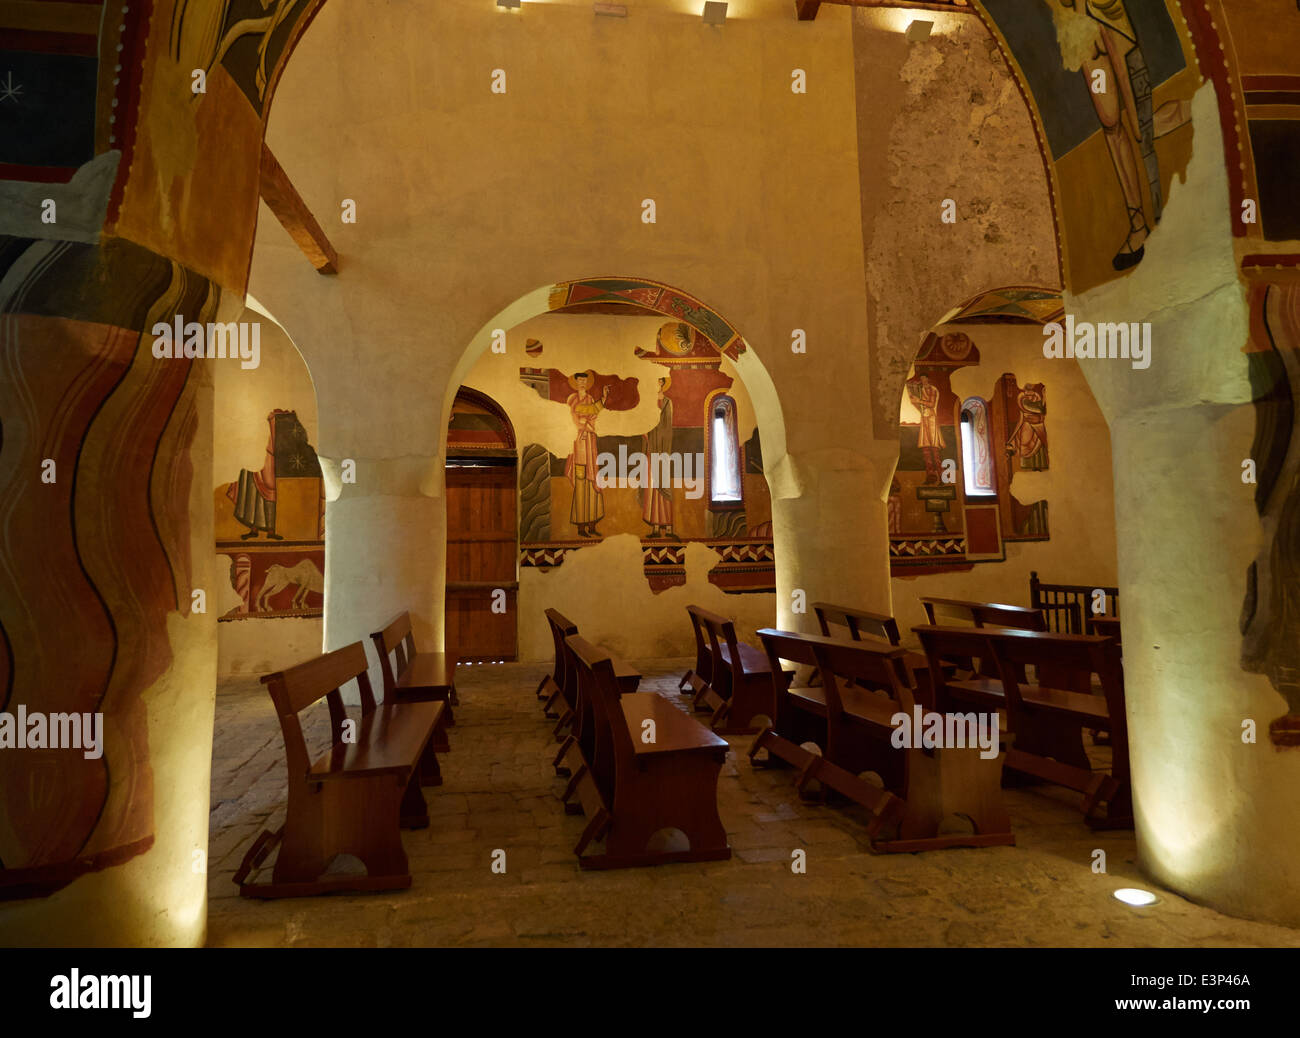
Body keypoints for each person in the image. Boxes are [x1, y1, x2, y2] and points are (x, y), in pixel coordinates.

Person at [565, 371, 609, 538]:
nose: (582, 383)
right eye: (579, 380)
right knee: (581, 484)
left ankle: (592, 525)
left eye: (584, 380)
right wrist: (583, 426)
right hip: (578, 447)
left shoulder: (590, 399)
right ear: (575, 382)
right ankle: (581, 527)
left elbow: (593, 415)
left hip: (589, 445)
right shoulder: (572, 400)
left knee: (592, 485)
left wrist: (603, 398)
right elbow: (573, 419)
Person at [641, 374, 677, 539]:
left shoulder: (667, 403)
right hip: (650, 451)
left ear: (662, 383)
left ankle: (668, 527)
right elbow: (644, 423)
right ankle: (655, 527)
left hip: (661, 451)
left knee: (663, 487)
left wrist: (656, 438)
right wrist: (646, 434)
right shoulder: (648, 402)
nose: (656, 385)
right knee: (652, 488)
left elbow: (666, 428)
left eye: (658, 382)